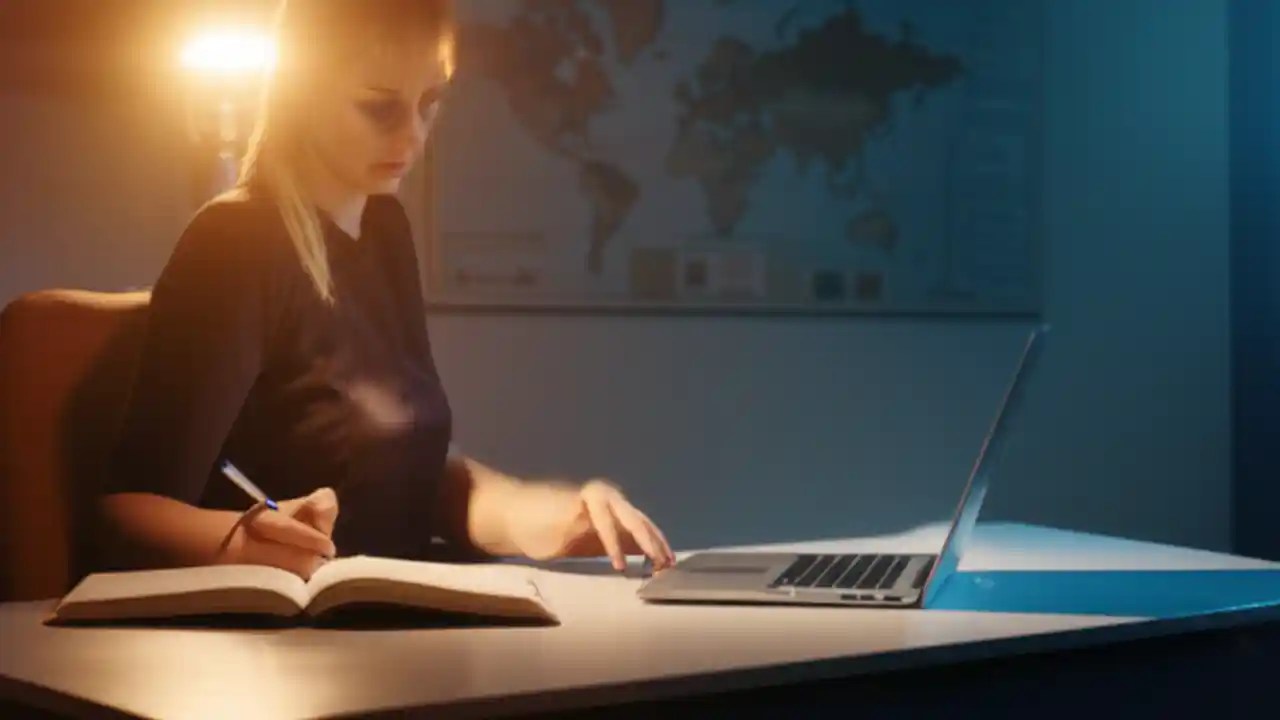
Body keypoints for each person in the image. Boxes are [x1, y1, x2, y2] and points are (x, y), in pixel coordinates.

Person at [97, 0, 674, 581]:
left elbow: (414, 477)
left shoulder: (384, 230)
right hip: (278, 636)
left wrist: (548, 518)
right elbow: (125, 510)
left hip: (396, 607)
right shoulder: (235, 242)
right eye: (380, 108)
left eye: (431, 104)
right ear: (302, 90)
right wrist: (242, 542)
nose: (415, 136)